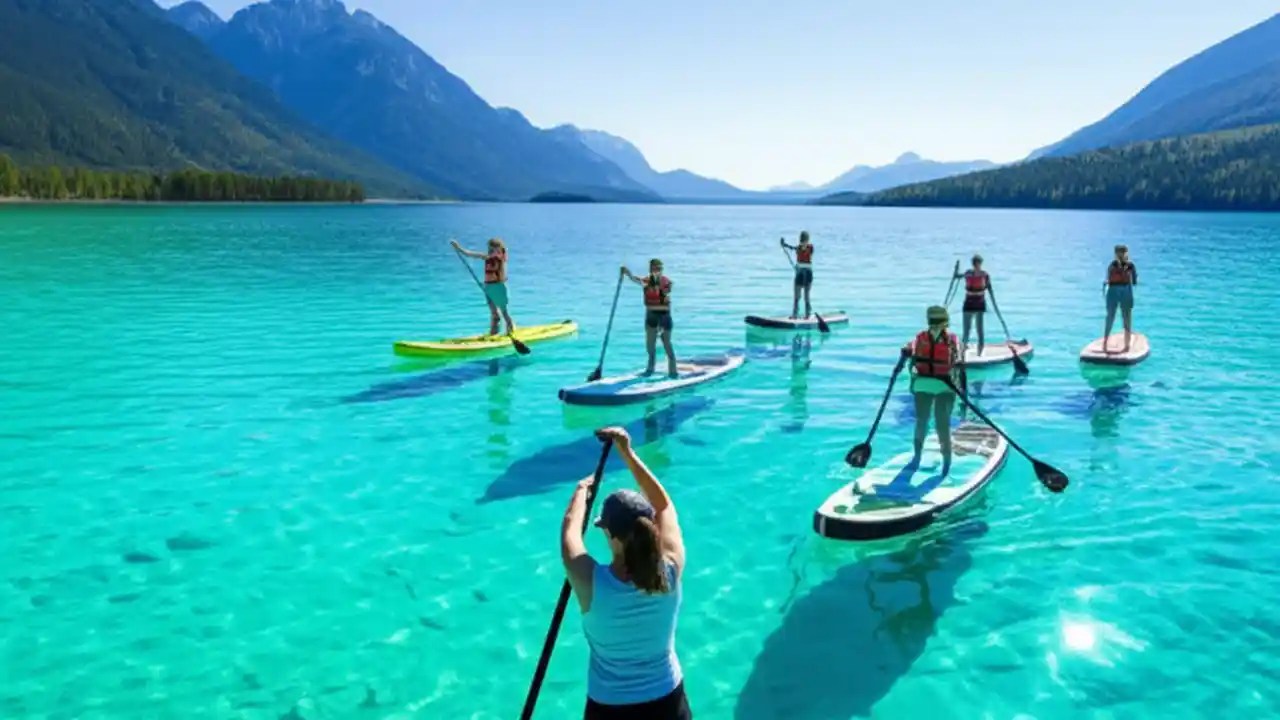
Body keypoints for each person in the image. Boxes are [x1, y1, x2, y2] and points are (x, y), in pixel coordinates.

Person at [561, 426, 690, 720]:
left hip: (610, 709)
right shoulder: (670, 569)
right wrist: (627, 452)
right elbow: (664, 505)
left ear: (612, 536)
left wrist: (582, 491)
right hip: (668, 703)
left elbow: (570, 532)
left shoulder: (592, 583)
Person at [902, 305, 962, 474]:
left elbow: (909, 348)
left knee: (923, 421)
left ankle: (918, 457)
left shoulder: (920, 338)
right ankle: (946, 461)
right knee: (941, 424)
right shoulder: (952, 339)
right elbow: (958, 359)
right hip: (943, 385)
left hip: (926, 384)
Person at [623, 259, 677, 378]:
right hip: (651, 316)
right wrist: (628, 273)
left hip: (664, 316)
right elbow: (636, 280)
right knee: (650, 345)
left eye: (659, 268)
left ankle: (673, 372)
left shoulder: (667, 282)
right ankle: (650, 369)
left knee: (666, 343)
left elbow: (666, 291)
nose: (656, 271)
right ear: (650, 269)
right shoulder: (646, 281)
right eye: (654, 268)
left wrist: (655, 287)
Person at [451, 237, 515, 336]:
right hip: (488, 288)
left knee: (504, 312)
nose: (492, 251)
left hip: (498, 287)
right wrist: (458, 247)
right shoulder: (486, 257)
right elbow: (469, 254)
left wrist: (500, 251)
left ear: (499, 249)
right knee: (494, 314)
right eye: (491, 249)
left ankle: (511, 331)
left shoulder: (501, 259)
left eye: (495, 249)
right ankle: (493, 333)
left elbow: (502, 256)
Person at [1103, 244, 1138, 353]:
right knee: (1112, 316)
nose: (1120, 255)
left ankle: (1125, 344)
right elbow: (1135, 281)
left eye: (1122, 253)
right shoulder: (1114, 266)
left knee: (1125, 316)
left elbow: (1134, 280)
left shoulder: (1128, 266)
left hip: (1123, 290)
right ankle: (1106, 343)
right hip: (1117, 290)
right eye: (1119, 253)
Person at [953, 254, 990, 356]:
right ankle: (962, 352)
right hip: (969, 305)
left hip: (979, 305)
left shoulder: (984, 275)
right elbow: (957, 277)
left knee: (979, 330)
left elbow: (989, 289)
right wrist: (956, 272)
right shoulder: (968, 274)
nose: (977, 266)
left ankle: (980, 353)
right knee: (966, 330)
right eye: (976, 264)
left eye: (978, 264)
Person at [780, 231, 814, 319]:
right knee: (797, 295)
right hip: (799, 273)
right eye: (802, 241)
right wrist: (784, 244)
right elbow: (791, 248)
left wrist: (801, 247)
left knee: (806, 295)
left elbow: (805, 250)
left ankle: (808, 314)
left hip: (807, 273)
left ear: (807, 241)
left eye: (805, 241)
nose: (803, 243)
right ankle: (795, 314)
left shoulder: (810, 248)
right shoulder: (798, 248)